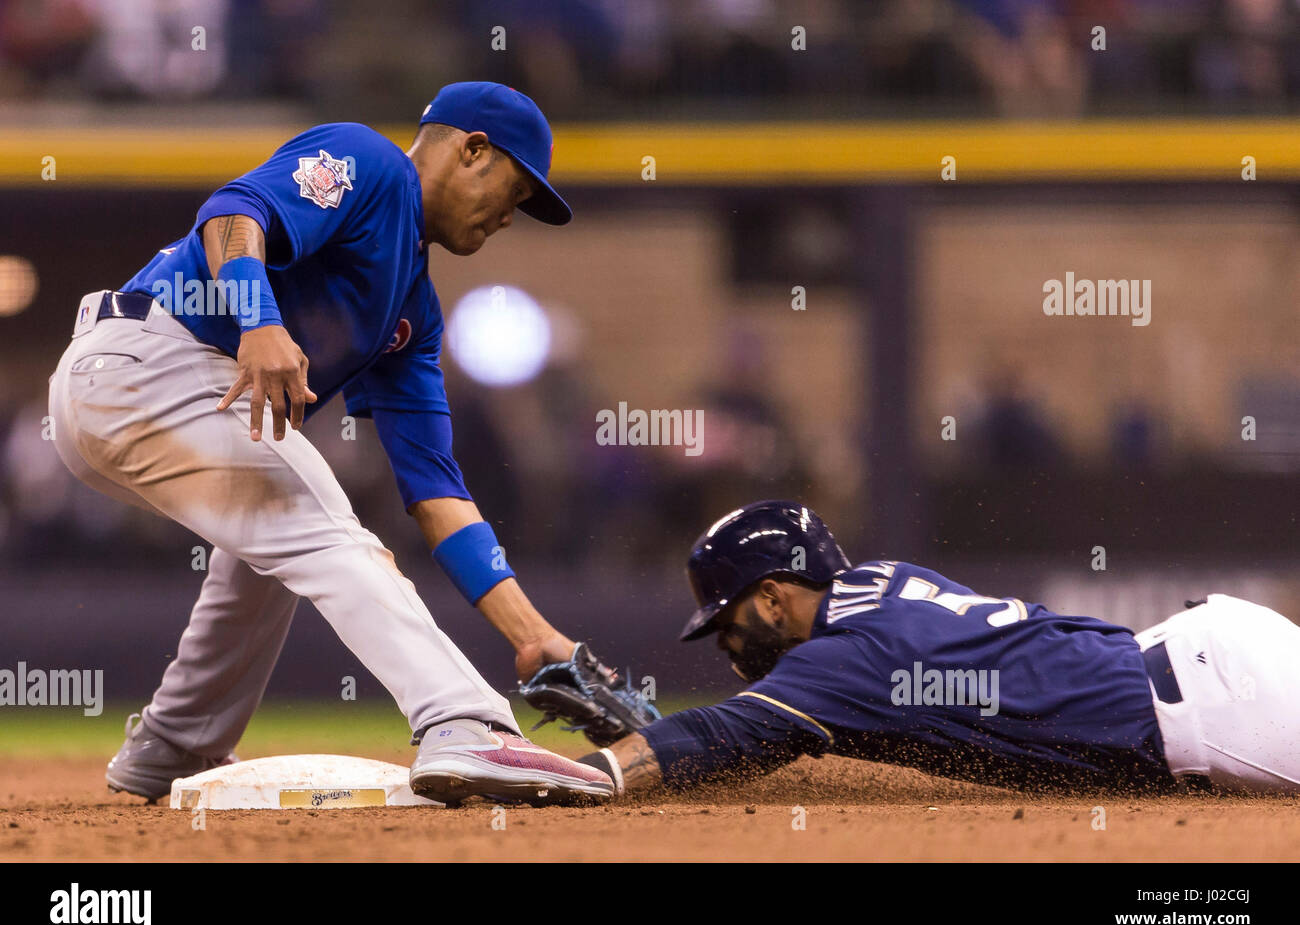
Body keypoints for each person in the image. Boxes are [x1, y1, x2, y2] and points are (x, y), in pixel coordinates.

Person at [47, 82, 613, 806]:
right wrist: (258, 320)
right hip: (142, 360)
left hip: (138, 395)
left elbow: (437, 492)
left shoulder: (413, 310)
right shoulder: (371, 163)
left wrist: (536, 637)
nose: (514, 214)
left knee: (268, 549)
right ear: (473, 149)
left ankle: (174, 744)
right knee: (324, 526)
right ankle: (462, 718)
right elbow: (229, 214)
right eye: (518, 187)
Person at [578, 501, 1300, 797]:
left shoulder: (842, 659)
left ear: (772, 597)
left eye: (728, 619)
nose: (729, 644)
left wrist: (586, 770)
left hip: (1221, 703)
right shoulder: (878, 582)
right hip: (1200, 659)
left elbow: (726, 733)